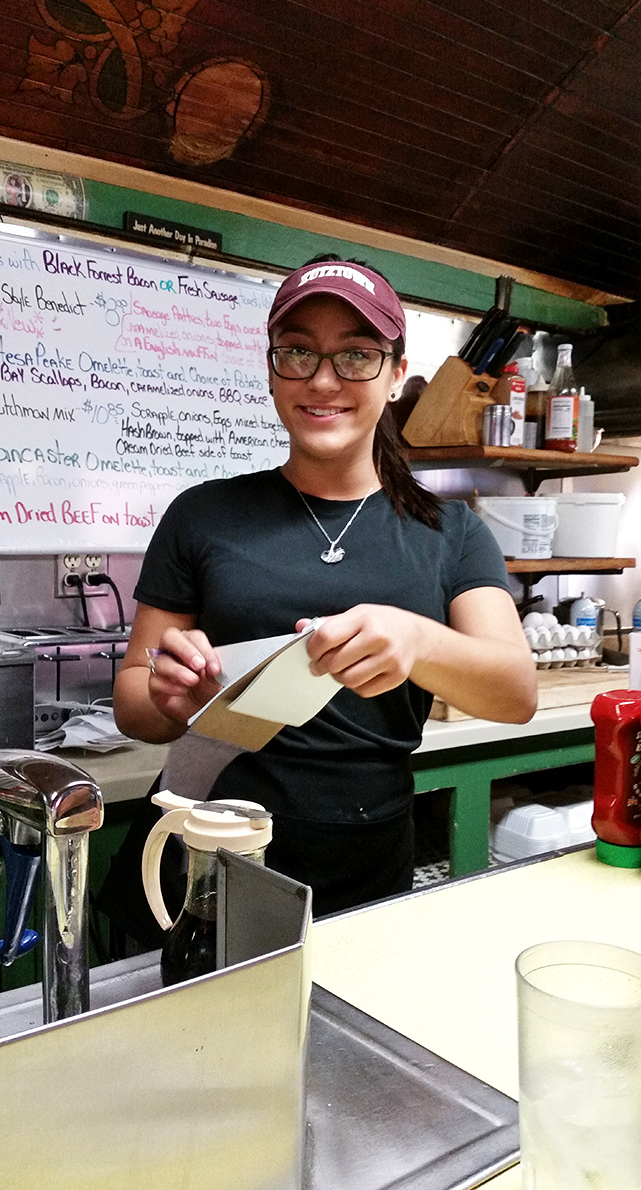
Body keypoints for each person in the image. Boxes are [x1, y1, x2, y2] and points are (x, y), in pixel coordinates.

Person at [112, 255, 537, 920]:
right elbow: (133, 701)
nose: (323, 378)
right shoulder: (203, 515)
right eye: (298, 352)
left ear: (397, 374)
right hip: (209, 859)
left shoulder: (449, 529)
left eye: (356, 355)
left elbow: (516, 693)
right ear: (273, 367)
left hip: (366, 870)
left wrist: (416, 639)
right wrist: (175, 695)